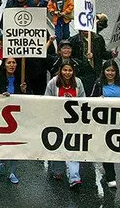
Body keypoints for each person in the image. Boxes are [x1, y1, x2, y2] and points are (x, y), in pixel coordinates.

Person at [44, 60, 86, 188]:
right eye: (65, 70)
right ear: (60, 70)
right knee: (57, 144)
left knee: (73, 146)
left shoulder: (78, 82)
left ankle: (75, 177)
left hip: (74, 122)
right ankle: (57, 170)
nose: (67, 73)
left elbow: (84, 100)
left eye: (70, 70)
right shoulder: (53, 82)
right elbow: (46, 99)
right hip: (57, 121)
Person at [91, 59, 120, 189]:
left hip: (119, 121)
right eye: (108, 70)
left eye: (113, 71)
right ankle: (111, 176)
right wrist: (98, 100)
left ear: (116, 72)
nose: (110, 73)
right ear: (104, 71)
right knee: (107, 147)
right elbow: (90, 99)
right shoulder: (98, 83)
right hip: (103, 122)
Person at [0, 57, 27, 184]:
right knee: (3, 142)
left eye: (14, 62)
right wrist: (1, 96)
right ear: (4, 65)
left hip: (17, 118)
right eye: (9, 62)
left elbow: (28, 99)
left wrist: (24, 91)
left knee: (15, 145)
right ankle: (1, 159)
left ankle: (12, 172)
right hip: (1, 118)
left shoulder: (22, 79)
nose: (12, 65)